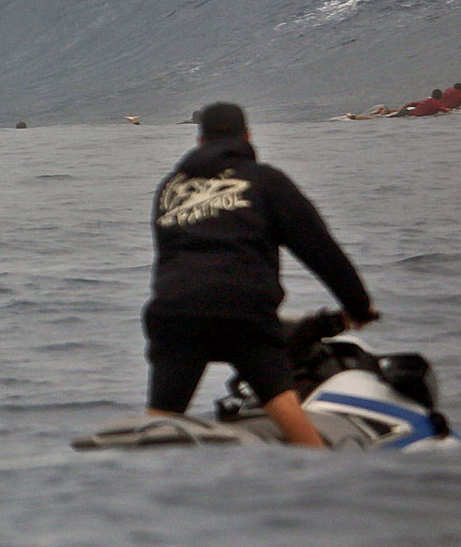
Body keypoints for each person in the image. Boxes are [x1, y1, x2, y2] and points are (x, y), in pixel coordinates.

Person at [144, 102, 376, 447]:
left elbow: (169, 256)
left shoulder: (170, 189)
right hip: (243, 312)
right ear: (248, 137)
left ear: (199, 140)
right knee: (282, 402)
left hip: (174, 312)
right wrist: (357, 306)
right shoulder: (266, 181)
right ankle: (324, 478)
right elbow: (320, 250)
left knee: (159, 420)